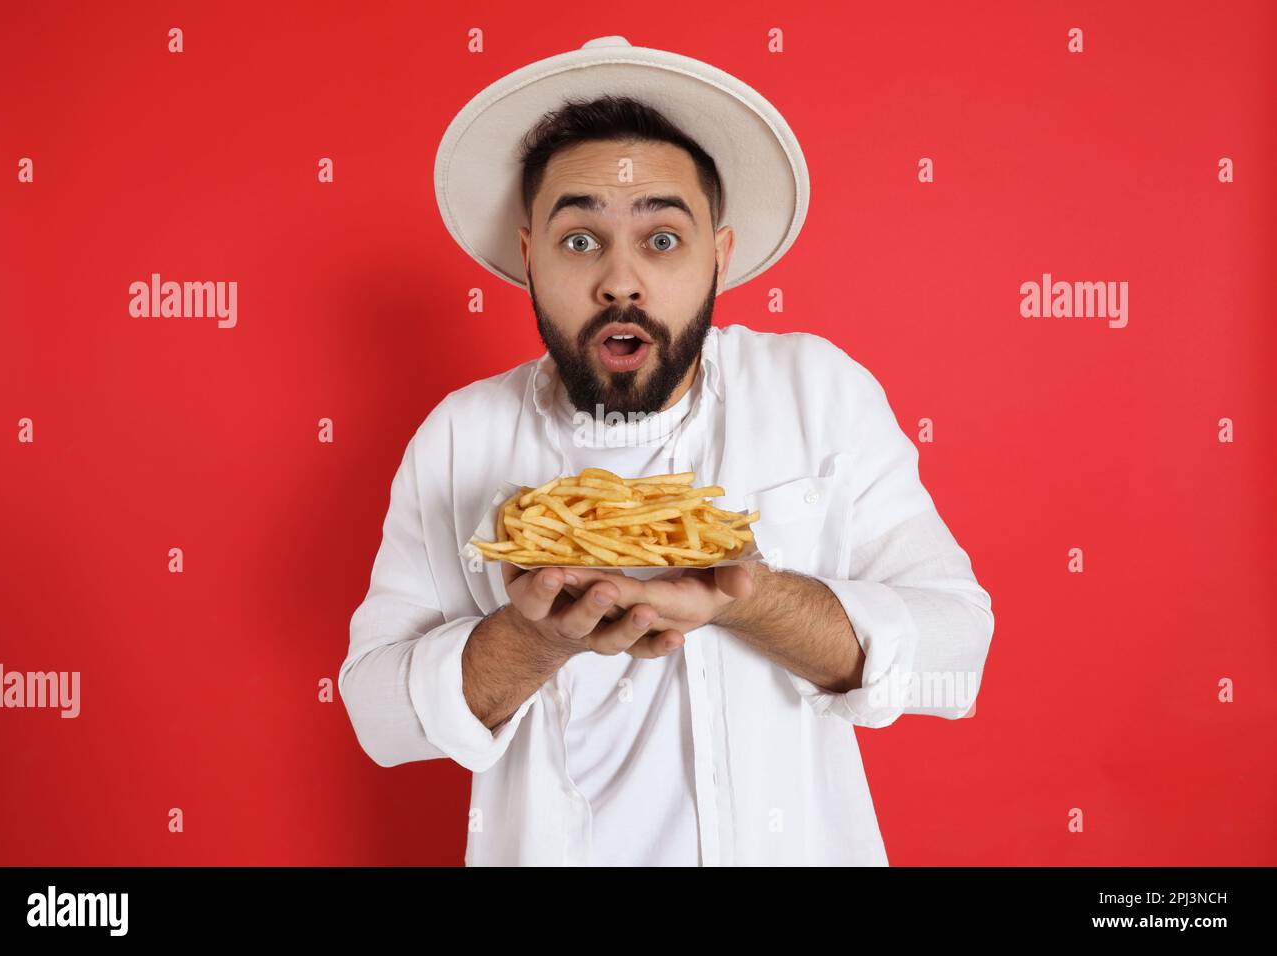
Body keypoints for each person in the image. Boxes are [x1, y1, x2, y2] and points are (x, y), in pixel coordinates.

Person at [339, 36, 994, 866]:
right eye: (580, 240)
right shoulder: (460, 436)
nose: (621, 281)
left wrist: (747, 596)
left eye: (661, 241)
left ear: (717, 257)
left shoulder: (820, 393)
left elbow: (958, 649)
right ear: (528, 254)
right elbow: (378, 717)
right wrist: (538, 637)